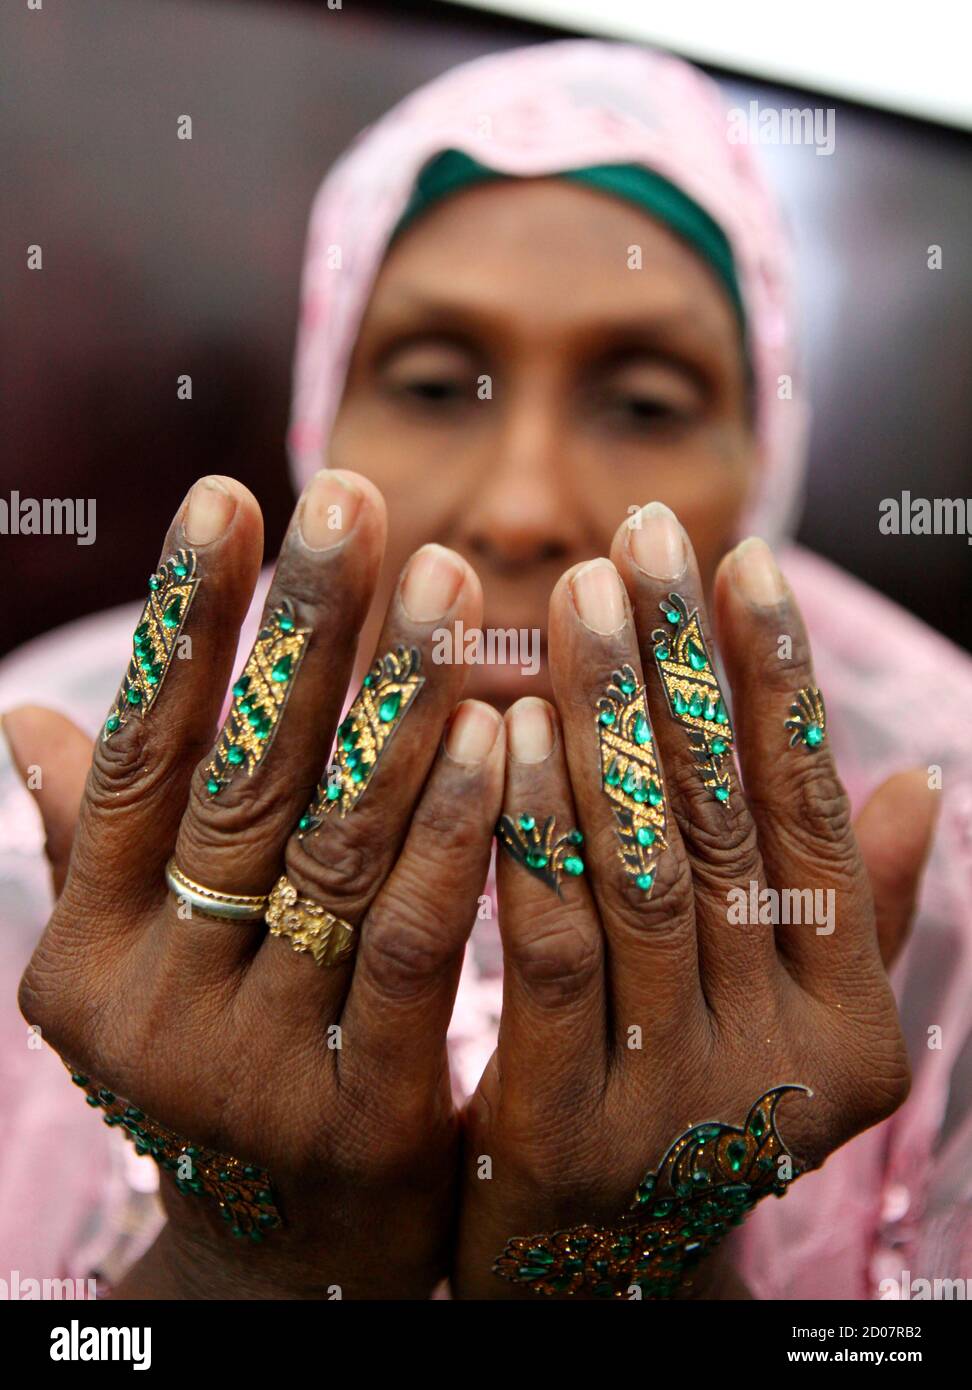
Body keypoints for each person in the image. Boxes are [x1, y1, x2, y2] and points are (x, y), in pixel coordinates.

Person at [1, 40, 969, 1300]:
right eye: (435, 382)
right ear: (320, 422)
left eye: (643, 403)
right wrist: (242, 1261)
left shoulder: (945, 836)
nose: (520, 509)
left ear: (763, 471)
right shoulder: (37, 820)